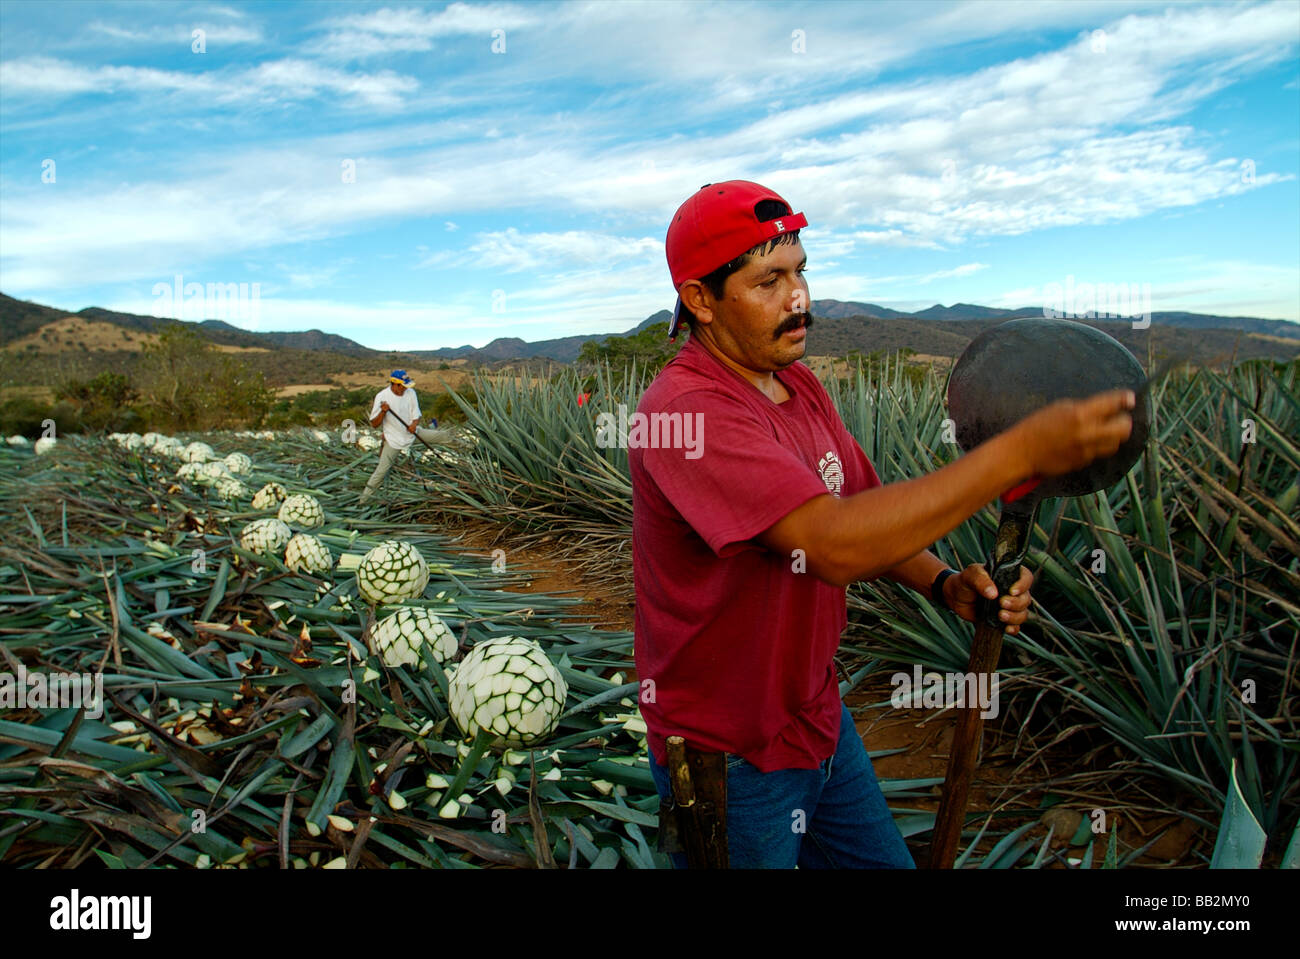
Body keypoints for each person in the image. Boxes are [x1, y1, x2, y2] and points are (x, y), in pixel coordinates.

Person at [630, 180, 1137, 868]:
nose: (798, 296)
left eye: (801, 271)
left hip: (818, 719)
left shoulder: (796, 383)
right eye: (769, 280)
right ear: (699, 300)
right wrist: (1015, 453)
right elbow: (834, 543)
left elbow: (863, 505)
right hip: (731, 759)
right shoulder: (683, 415)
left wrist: (943, 582)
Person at [358, 370, 464, 505]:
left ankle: (472, 450)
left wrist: (414, 424)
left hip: (413, 433)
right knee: (381, 471)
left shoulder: (410, 393)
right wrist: (383, 411)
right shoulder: (382, 397)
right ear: (395, 384)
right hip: (394, 440)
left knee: (443, 436)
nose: (404, 389)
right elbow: (374, 424)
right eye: (402, 386)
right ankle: (363, 501)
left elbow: (416, 414)